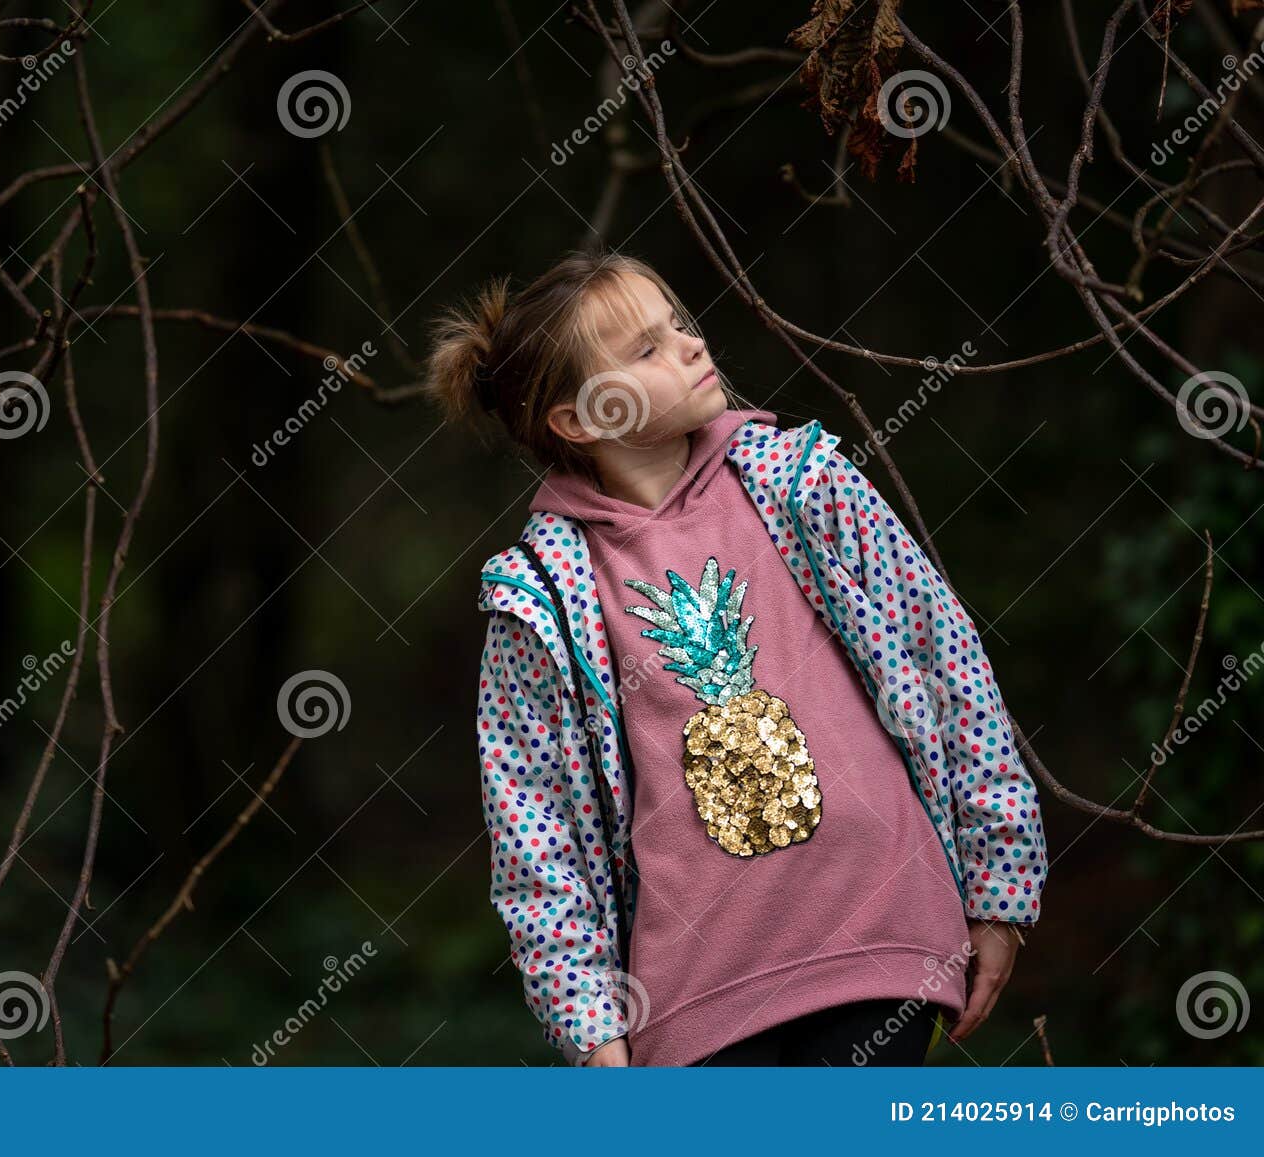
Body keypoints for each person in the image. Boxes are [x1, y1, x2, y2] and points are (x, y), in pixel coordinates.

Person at [425, 250, 1047, 1067]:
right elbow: (532, 825)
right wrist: (589, 1021)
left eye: (678, 324)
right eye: (646, 348)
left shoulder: (806, 484)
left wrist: (1000, 883)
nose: (690, 344)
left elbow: (947, 662)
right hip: (693, 1006)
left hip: (884, 938)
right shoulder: (540, 595)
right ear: (577, 419)